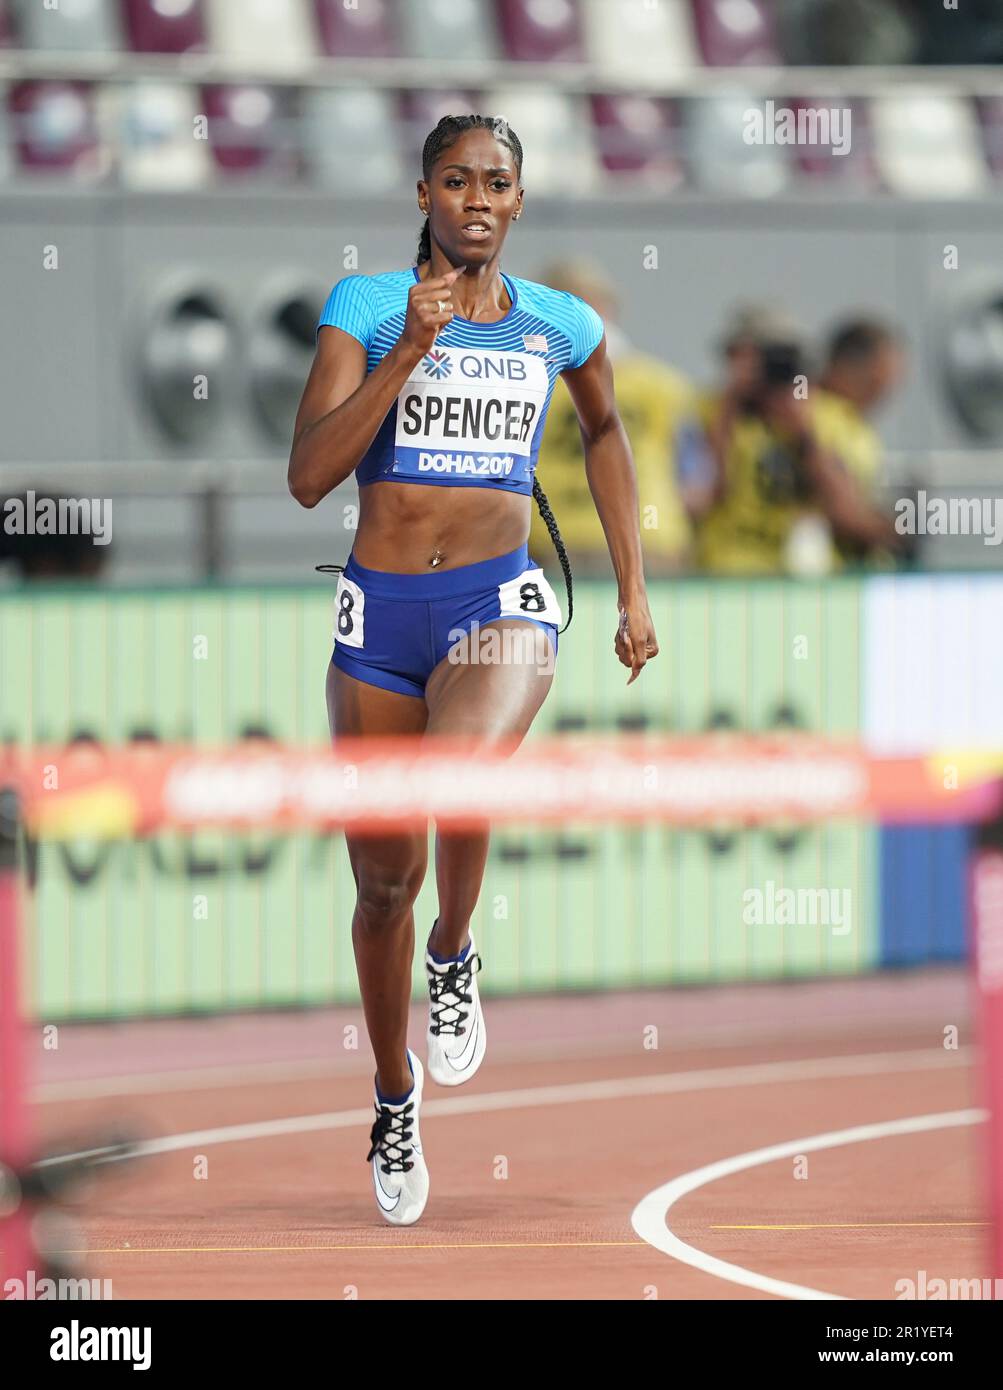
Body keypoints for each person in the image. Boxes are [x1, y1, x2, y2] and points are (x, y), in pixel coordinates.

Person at [287, 114, 658, 1226]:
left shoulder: (560, 323)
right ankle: (393, 1094)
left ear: (520, 202)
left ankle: (456, 952)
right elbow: (308, 474)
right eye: (456, 181)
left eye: (497, 182)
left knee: (461, 778)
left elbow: (604, 434)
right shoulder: (360, 307)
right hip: (380, 618)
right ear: (422, 196)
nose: (478, 200)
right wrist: (406, 349)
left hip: (497, 600)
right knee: (378, 886)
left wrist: (634, 587)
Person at [528, 259, 710, 576]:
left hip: (553, 542)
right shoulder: (663, 384)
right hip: (648, 543)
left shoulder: (526, 379)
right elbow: (697, 486)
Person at [693, 304, 901, 574]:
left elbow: (849, 512)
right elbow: (704, 493)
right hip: (727, 575)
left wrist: (803, 435)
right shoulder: (706, 411)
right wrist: (731, 402)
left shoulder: (833, 419)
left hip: (804, 581)